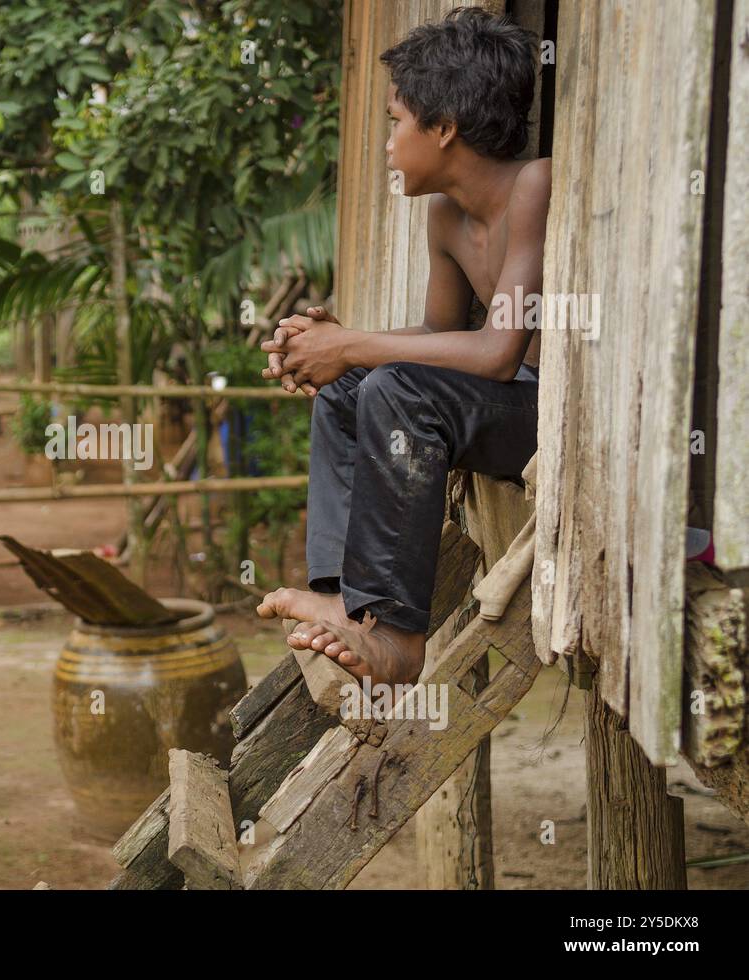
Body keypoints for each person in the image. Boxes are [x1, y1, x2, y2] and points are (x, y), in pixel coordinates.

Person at [256, 8, 549, 689]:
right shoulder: (446, 214)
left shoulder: (534, 185)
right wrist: (336, 347)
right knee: (351, 388)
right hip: (494, 406)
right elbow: (441, 334)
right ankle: (341, 595)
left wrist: (354, 343)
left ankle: (396, 636)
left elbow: (499, 350)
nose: (389, 144)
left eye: (397, 122)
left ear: (443, 129)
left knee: (390, 383)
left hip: (546, 419)